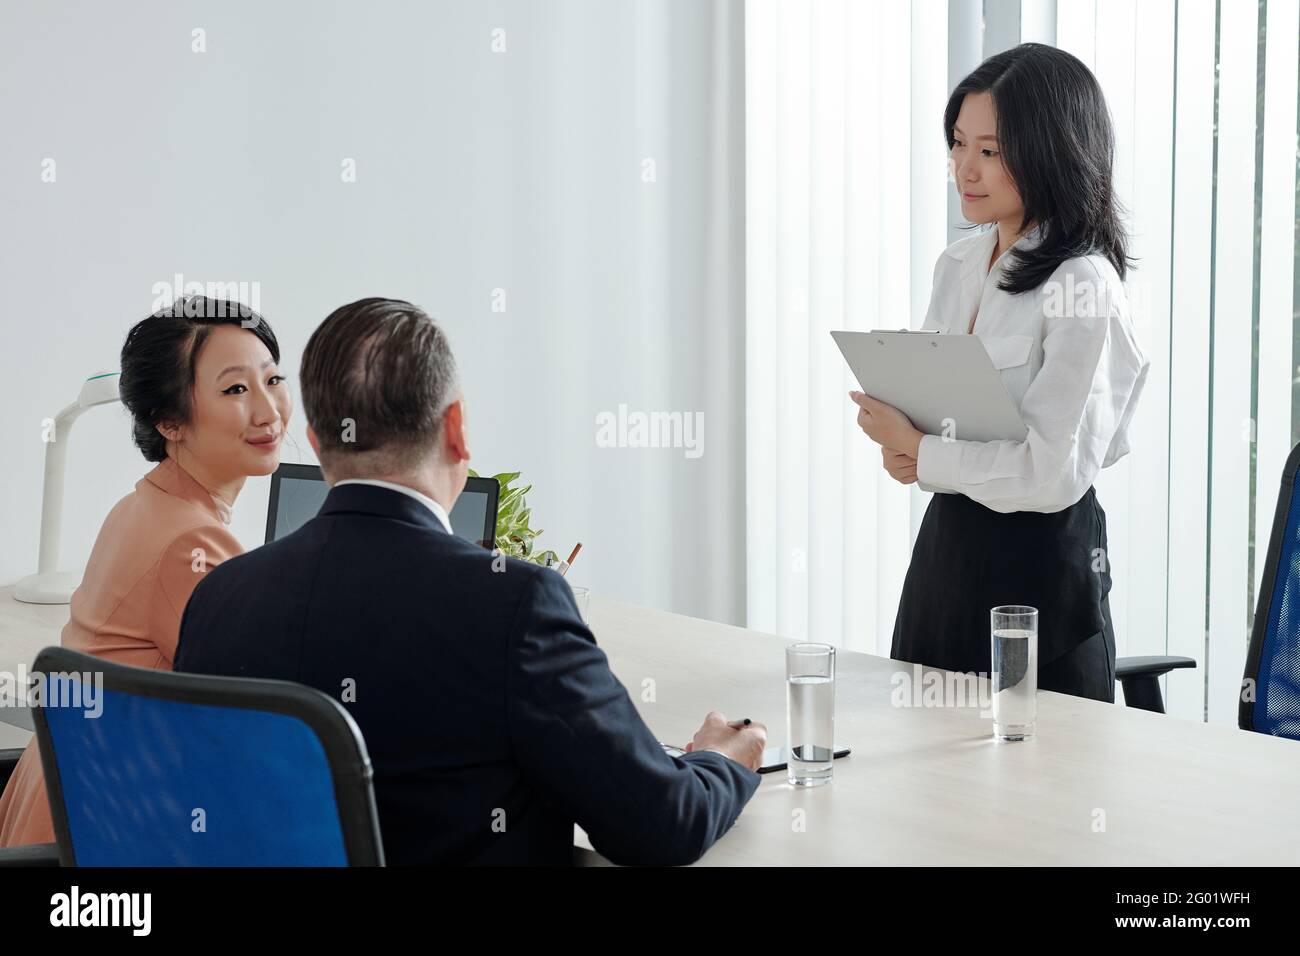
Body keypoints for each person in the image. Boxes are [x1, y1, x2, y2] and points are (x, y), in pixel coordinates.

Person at [174, 297, 766, 865]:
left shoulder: (218, 598)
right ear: (456, 428)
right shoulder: (515, 603)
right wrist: (722, 760)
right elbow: (661, 826)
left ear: (319, 443)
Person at [849, 43, 1149, 702]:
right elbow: (933, 419)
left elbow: (1052, 472)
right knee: (926, 787)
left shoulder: (1083, 285)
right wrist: (903, 441)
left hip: (1040, 579)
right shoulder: (958, 264)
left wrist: (924, 451)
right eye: (958, 144)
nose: (965, 169)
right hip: (947, 559)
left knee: (1037, 793)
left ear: (1052, 149)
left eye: (991, 150)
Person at [0, 297, 291, 846]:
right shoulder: (193, 540)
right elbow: (266, 714)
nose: (268, 411)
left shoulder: (149, 504)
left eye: (272, 379)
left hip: (71, 798)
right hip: (108, 827)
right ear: (169, 421)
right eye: (234, 389)